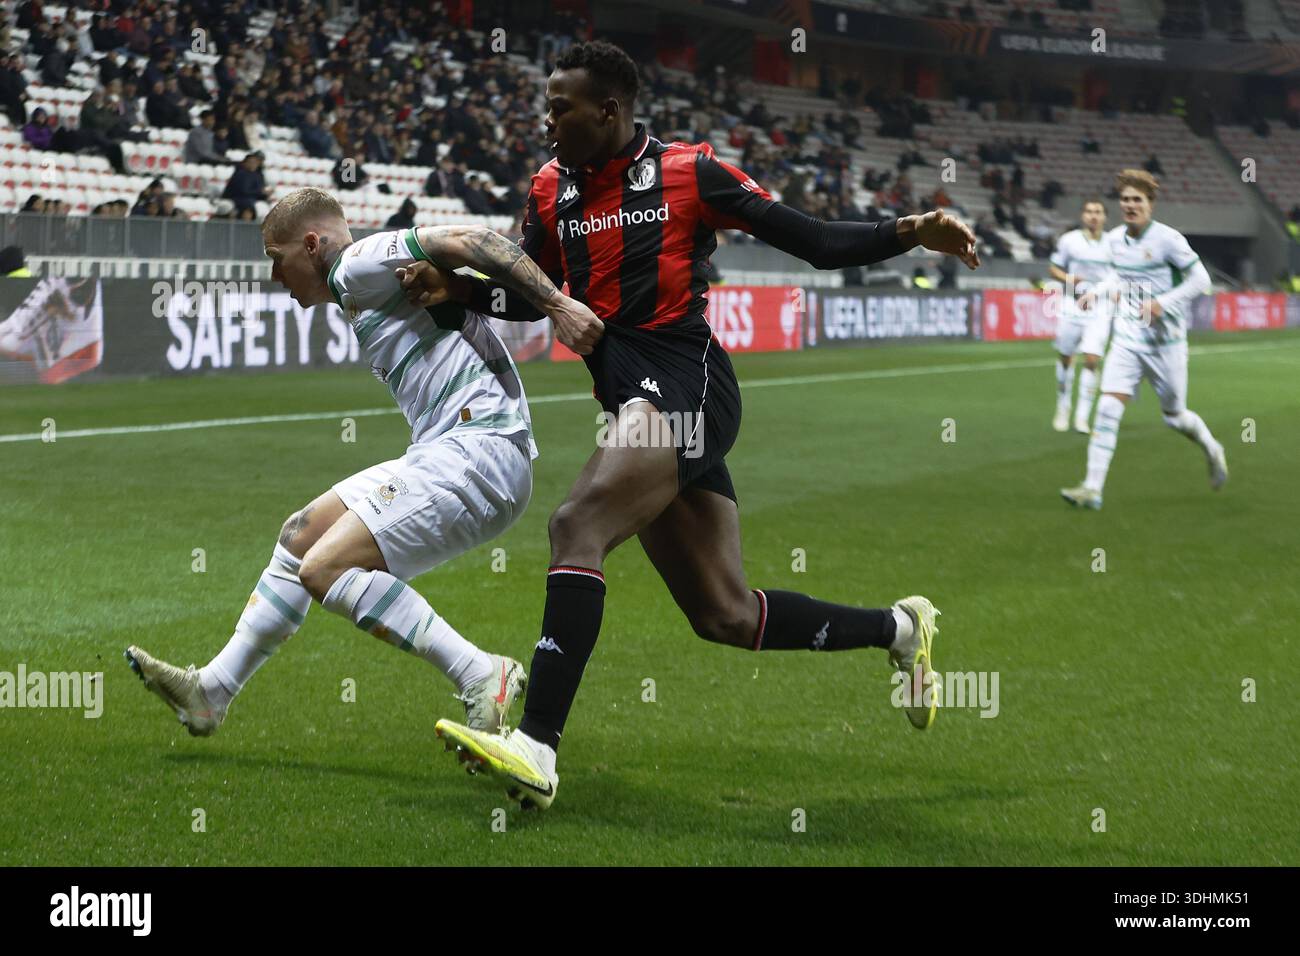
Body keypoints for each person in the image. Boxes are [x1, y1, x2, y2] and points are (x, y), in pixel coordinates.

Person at [401, 40, 980, 810]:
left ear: (608, 111)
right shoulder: (549, 189)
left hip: (687, 388)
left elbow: (809, 239)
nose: (546, 120)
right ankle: (900, 630)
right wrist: (458, 291)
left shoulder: (690, 172)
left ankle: (536, 747)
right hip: (635, 402)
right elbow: (530, 294)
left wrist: (908, 230)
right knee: (725, 614)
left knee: (578, 523)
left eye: (559, 107)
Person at [125, 187, 600, 740]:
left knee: (322, 569)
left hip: (480, 452)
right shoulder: (362, 286)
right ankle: (212, 691)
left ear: (310, 244)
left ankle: (479, 672)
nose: (276, 278)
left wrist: (558, 304)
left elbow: (476, 240)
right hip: (455, 451)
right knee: (301, 537)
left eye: (278, 261)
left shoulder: (356, 264)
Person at [1061, 170, 1227, 509]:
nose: (1130, 205)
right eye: (1125, 199)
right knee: (1107, 408)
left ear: (1150, 204)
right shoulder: (1115, 239)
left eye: (1137, 199)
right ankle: (1092, 489)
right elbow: (1118, 277)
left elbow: (1200, 280)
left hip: (1166, 343)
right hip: (1127, 339)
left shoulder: (1168, 240)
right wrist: (1095, 293)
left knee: (1174, 415)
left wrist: (1161, 304)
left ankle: (1212, 448)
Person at [1048, 198, 1112, 434]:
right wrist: (1067, 279)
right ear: (1083, 216)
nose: (1093, 216)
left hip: (1099, 308)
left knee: (1092, 360)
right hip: (1072, 305)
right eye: (1089, 211)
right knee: (1066, 357)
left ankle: (1082, 417)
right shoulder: (1069, 240)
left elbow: (1118, 274)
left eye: (1098, 212)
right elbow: (1053, 267)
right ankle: (1063, 406)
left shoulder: (1113, 244)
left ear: (1104, 217)